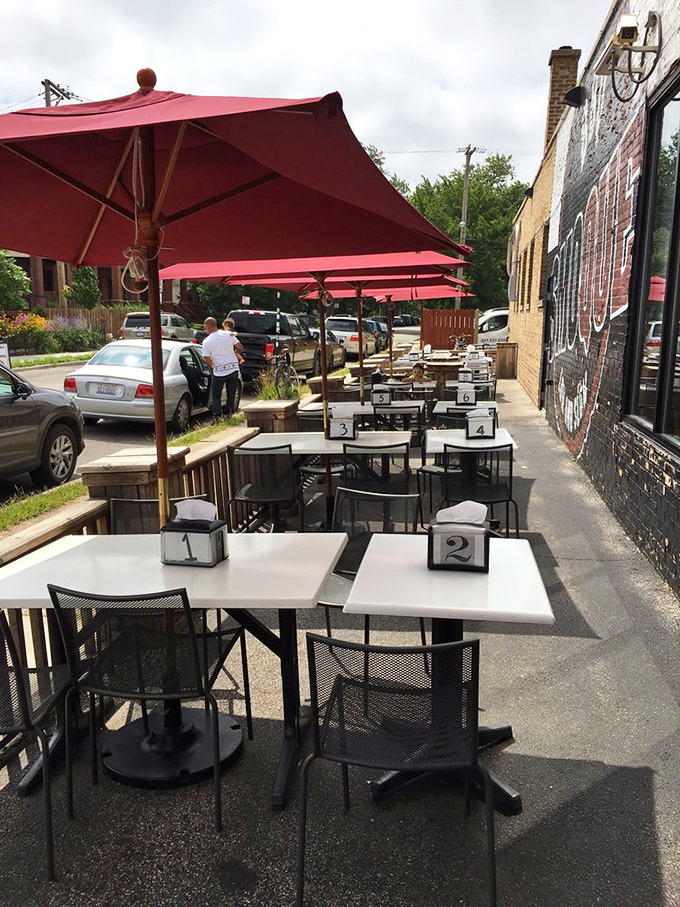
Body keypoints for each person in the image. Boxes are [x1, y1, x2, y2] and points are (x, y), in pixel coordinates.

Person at [202, 317, 244, 421]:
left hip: (219, 371)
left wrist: (212, 366)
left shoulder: (207, 341)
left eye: (205, 327)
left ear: (209, 326)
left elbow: (206, 357)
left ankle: (217, 416)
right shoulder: (228, 334)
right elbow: (240, 348)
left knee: (216, 395)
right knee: (231, 394)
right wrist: (233, 353)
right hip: (233, 368)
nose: (205, 330)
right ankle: (228, 414)